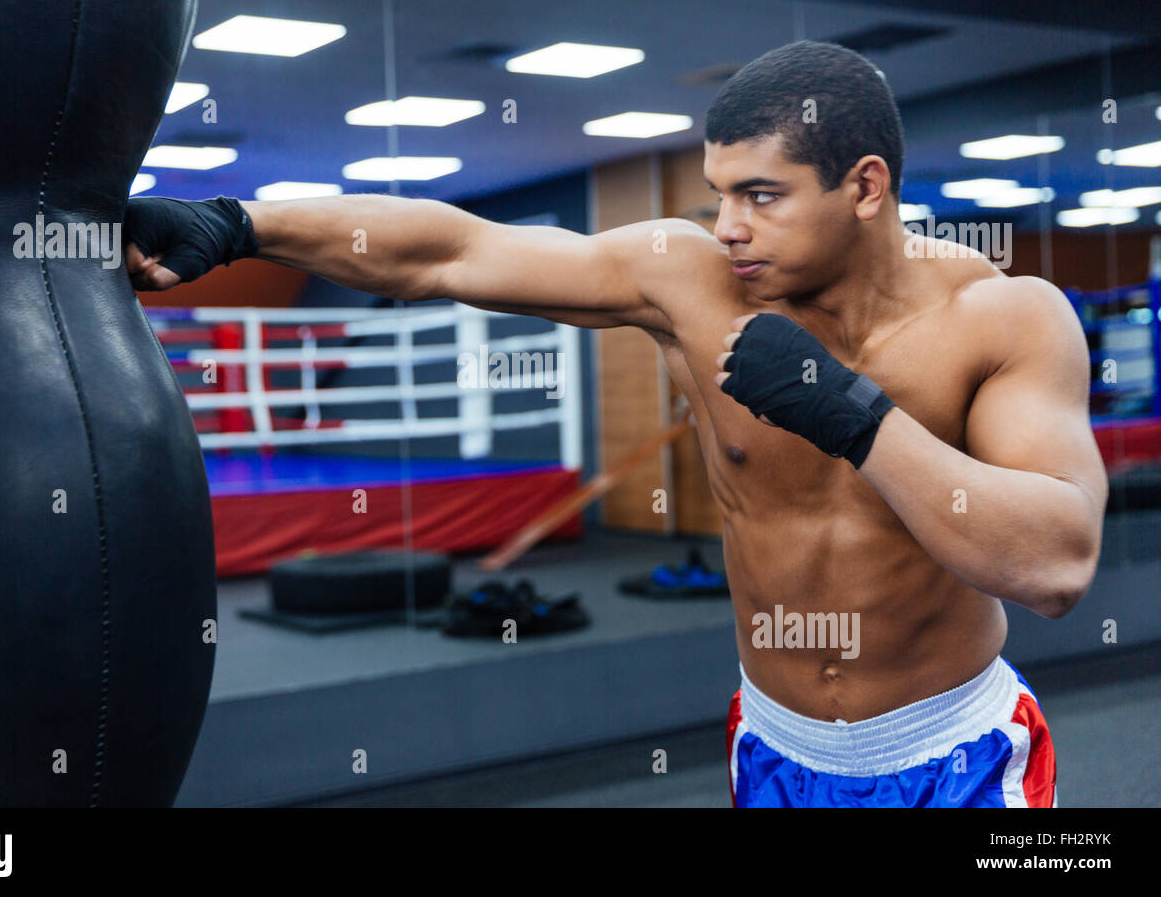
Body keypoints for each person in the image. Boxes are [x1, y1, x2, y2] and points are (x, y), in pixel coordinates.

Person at [123, 40, 1106, 807]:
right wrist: (240, 222)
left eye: (760, 196)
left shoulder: (1001, 318)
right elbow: (453, 252)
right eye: (720, 191)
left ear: (863, 186)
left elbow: (1055, 567)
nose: (727, 225)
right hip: (774, 746)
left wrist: (849, 413)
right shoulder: (693, 279)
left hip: (952, 754)